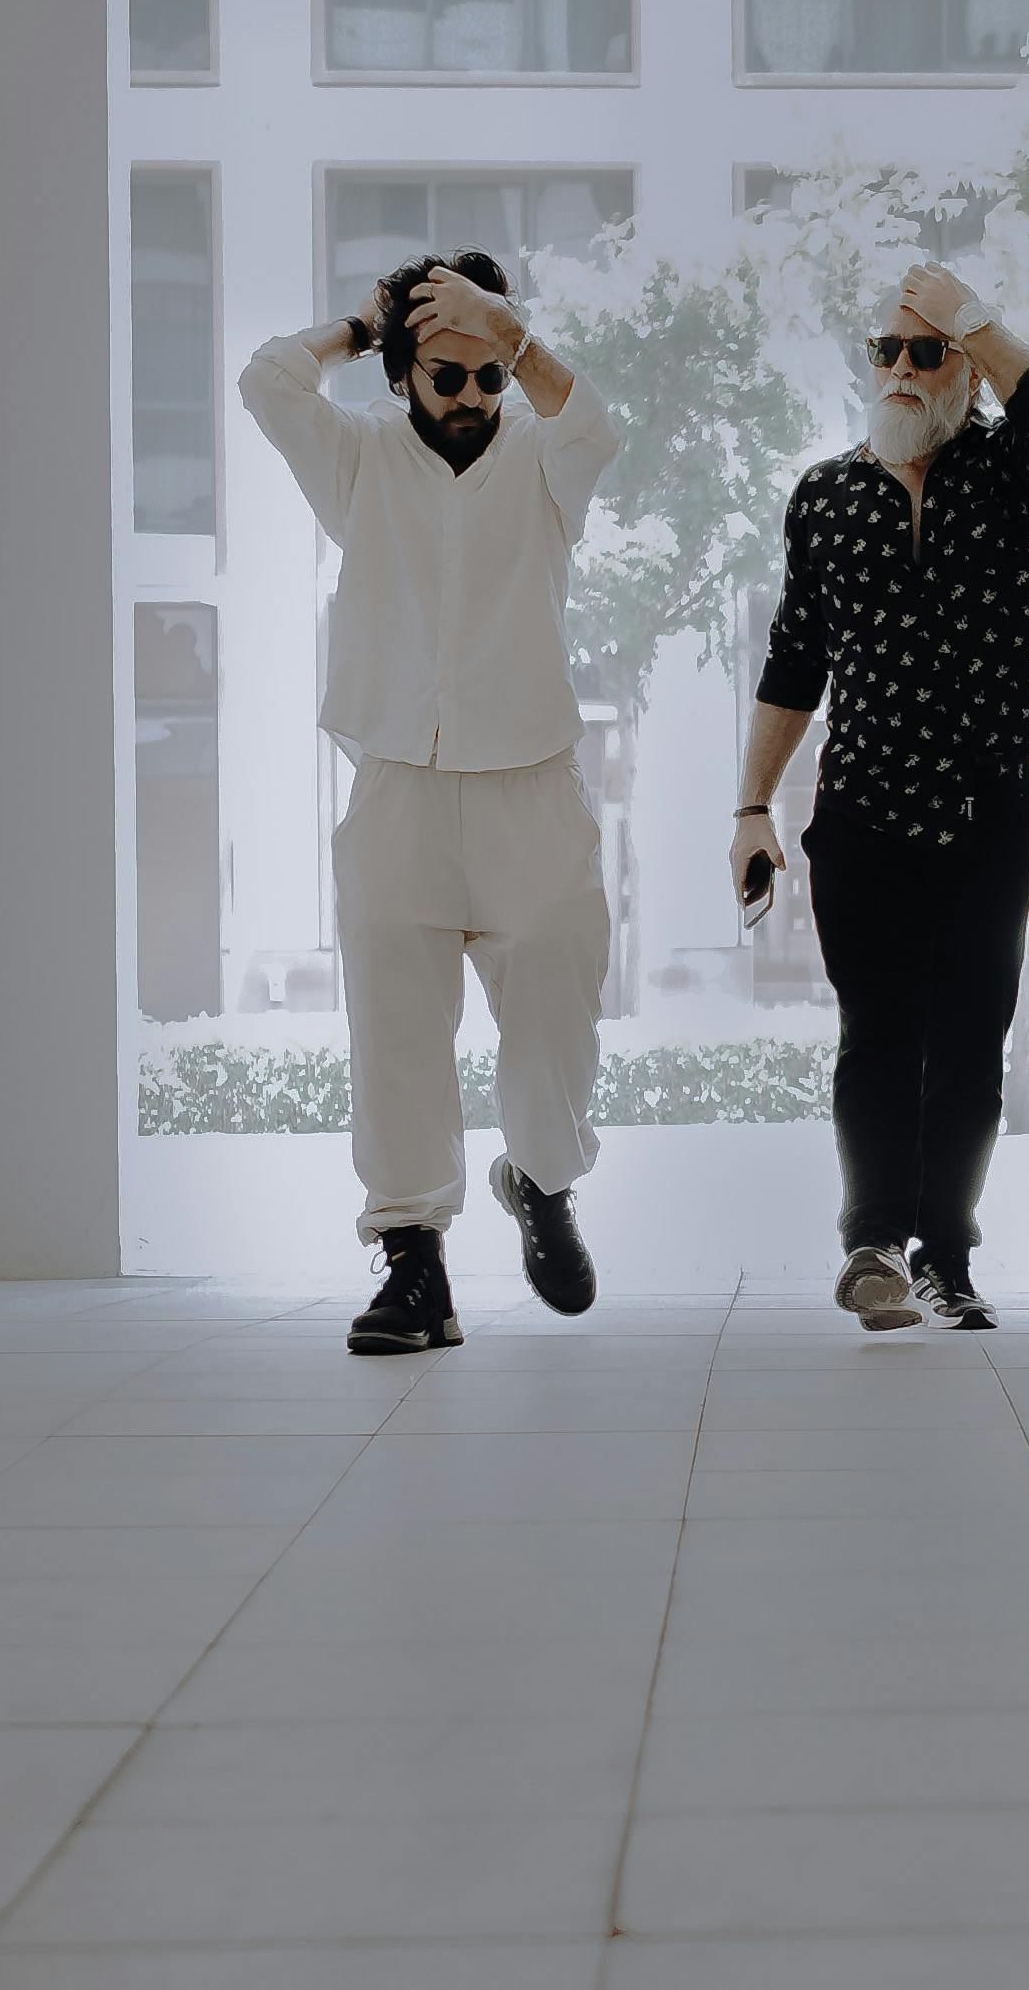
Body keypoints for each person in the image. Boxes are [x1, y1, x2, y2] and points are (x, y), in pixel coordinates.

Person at [239, 251, 614, 1355]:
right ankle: (412, 1260)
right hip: (397, 785)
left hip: (530, 789)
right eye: (445, 377)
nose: (471, 400)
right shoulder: (353, 457)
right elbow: (268, 381)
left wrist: (512, 331)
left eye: (489, 375)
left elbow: (597, 421)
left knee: (554, 1019)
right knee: (395, 1032)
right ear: (403, 374)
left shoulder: (550, 461)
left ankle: (539, 1183)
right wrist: (357, 329)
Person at [730, 262, 1029, 1334]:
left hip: (987, 808)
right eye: (882, 350)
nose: (895, 368)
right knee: (876, 1032)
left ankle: (947, 1255)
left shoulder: (1010, 474)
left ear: (964, 373)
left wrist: (973, 318)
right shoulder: (826, 496)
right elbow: (794, 662)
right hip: (864, 813)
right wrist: (749, 807)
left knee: (970, 1043)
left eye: (921, 351)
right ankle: (872, 1247)